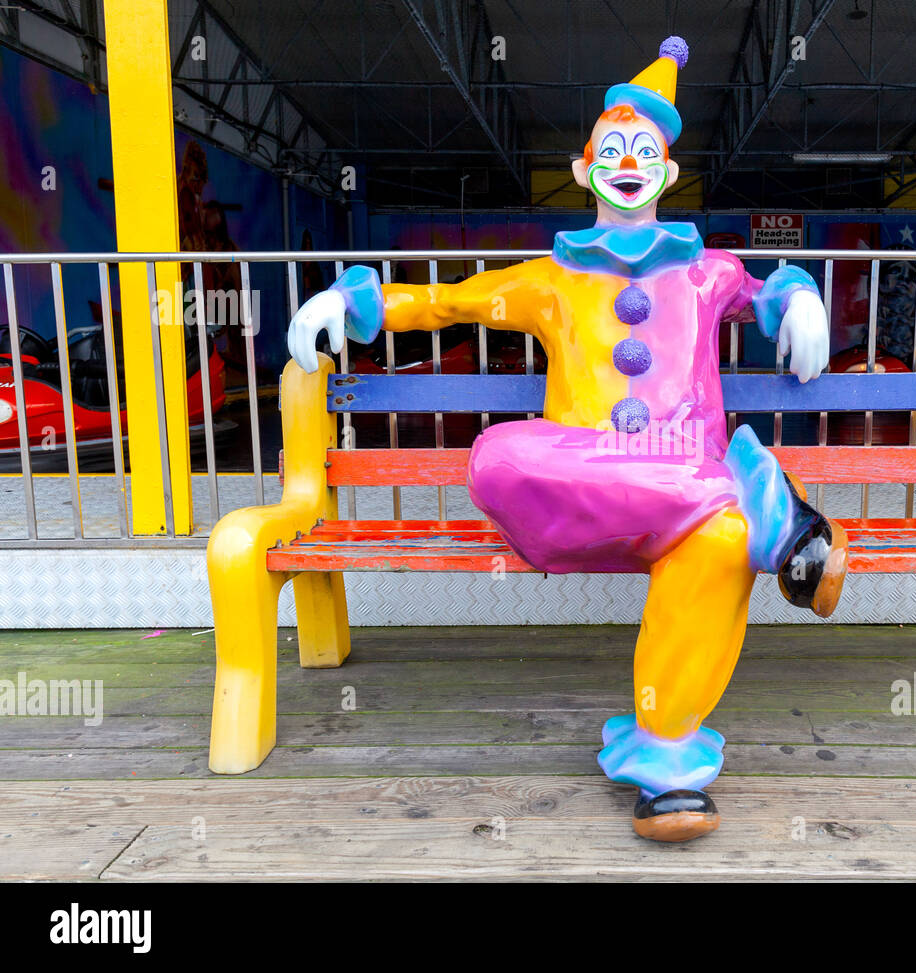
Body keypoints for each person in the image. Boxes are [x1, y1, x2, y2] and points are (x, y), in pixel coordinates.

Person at [286, 37, 846, 842]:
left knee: (720, 542)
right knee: (500, 456)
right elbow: (449, 304)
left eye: (644, 151)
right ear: (586, 171)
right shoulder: (550, 280)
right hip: (585, 505)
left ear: (668, 173)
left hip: (680, 519)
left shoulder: (708, 272)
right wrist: (356, 300)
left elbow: (767, 290)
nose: (628, 162)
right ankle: (760, 501)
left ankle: (666, 766)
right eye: (611, 150)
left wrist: (799, 301)